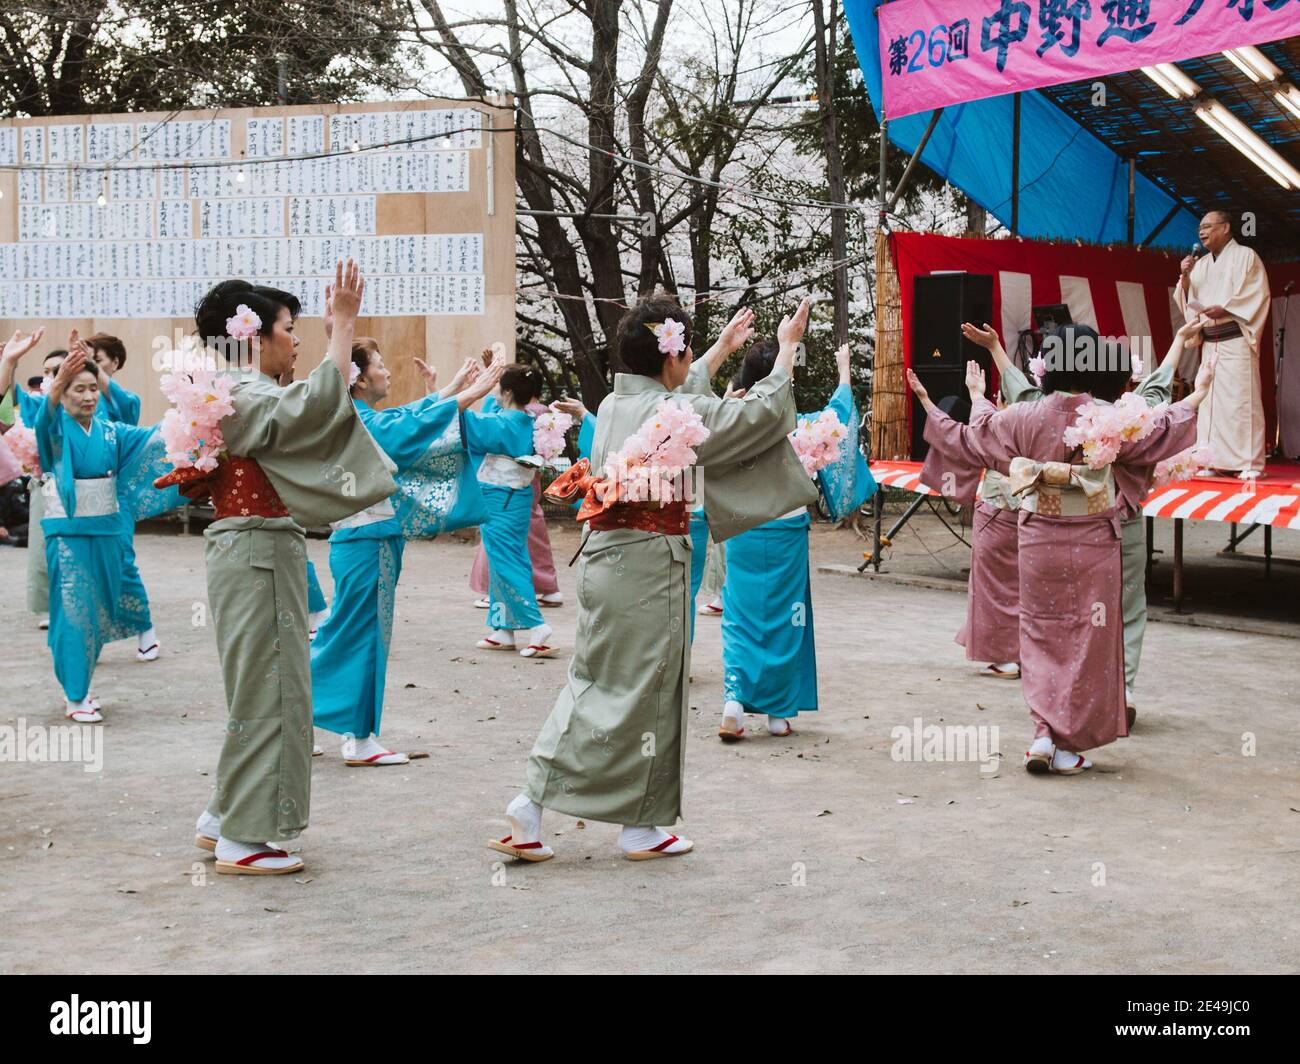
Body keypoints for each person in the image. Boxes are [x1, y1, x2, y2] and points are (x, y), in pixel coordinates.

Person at [489, 294, 818, 863]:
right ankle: (582, 810)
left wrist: (717, 350)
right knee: (644, 689)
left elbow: (683, 396)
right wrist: (786, 352)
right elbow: (757, 416)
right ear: (671, 356)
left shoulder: (617, 402)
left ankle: (580, 811)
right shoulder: (670, 412)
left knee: (596, 680)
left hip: (606, 558)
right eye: (686, 350)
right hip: (647, 563)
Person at [167, 260, 397, 876]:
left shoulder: (229, 392)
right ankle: (246, 836)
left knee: (264, 685)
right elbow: (310, 412)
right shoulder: (241, 392)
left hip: (255, 546)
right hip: (255, 552)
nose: (296, 339)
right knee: (272, 688)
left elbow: (302, 412)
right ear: (254, 336)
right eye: (290, 328)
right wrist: (343, 328)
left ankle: (223, 816)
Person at [908, 324, 1214, 776]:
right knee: (1087, 639)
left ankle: (1042, 734)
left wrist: (938, 405)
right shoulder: (1109, 417)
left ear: (1048, 367)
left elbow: (972, 438)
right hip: (1093, 540)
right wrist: (1198, 395)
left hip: (1038, 540)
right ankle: (1068, 742)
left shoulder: (1024, 415)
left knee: (1037, 633)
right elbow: (1160, 430)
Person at [310, 338, 499, 767]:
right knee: (362, 637)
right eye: (379, 363)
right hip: (367, 538)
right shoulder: (359, 421)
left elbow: (405, 418)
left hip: (362, 537)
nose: (387, 371)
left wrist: (450, 389)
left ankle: (304, 718)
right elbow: (404, 428)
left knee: (345, 633)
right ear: (357, 378)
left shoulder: (357, 416)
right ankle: (357, 738)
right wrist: (469, 394)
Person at [718, 340, 875, 741]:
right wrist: (843, 371)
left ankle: (734, 701)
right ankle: (776, 712)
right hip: (786, 527)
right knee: (788, 617)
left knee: (740, 614)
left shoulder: (730, 417)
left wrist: (725, 400)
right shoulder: (802, 426)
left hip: (742, 526)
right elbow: (839, 416)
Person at [31, 349, 180, 722]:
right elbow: (42, 421)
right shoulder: (56, 427)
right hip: (69, 535)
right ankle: (75, 696)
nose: (88, 397)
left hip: (108, 529)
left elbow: (155, 441)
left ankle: (79, 684)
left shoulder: (111, 431)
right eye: (78, 389)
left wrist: (193, 417)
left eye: (93, 389)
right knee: (75, 611)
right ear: (62, 394)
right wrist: (55, 388)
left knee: (98, 610)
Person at [72, 332, 160, 662]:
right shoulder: (74, 400)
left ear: (114, 364)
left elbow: (126, 409)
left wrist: (92, 368)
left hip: (113, 495)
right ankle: (87, 637)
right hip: (75, 497)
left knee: (121, 562)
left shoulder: (123, 402)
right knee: (84, 568)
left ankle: (145, 629)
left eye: (98, 359)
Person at [462, 363, 555, 657]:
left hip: (499, 499)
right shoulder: (531, 422)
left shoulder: (502, 423)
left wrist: (452, 389)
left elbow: (462, 421)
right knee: (509, 559)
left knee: (505, 562)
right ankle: (503, 628)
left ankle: (536, 625)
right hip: (514, 498)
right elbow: (491, 410)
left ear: (508, 391)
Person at [1176, 211, 1271, 477]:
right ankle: (1211, 459)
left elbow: (1256, 294)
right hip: (1210, 343)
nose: (1202, 232)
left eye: (1208, 227)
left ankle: (1250, 463)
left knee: (1240, 403)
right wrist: (1185, 281)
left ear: (1226, 227)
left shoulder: (1246, 257)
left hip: (1236, 341)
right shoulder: (1200, 265)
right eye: (1200, 228)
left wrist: (1226, 308)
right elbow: (1188, 299)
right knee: (1209, 403)